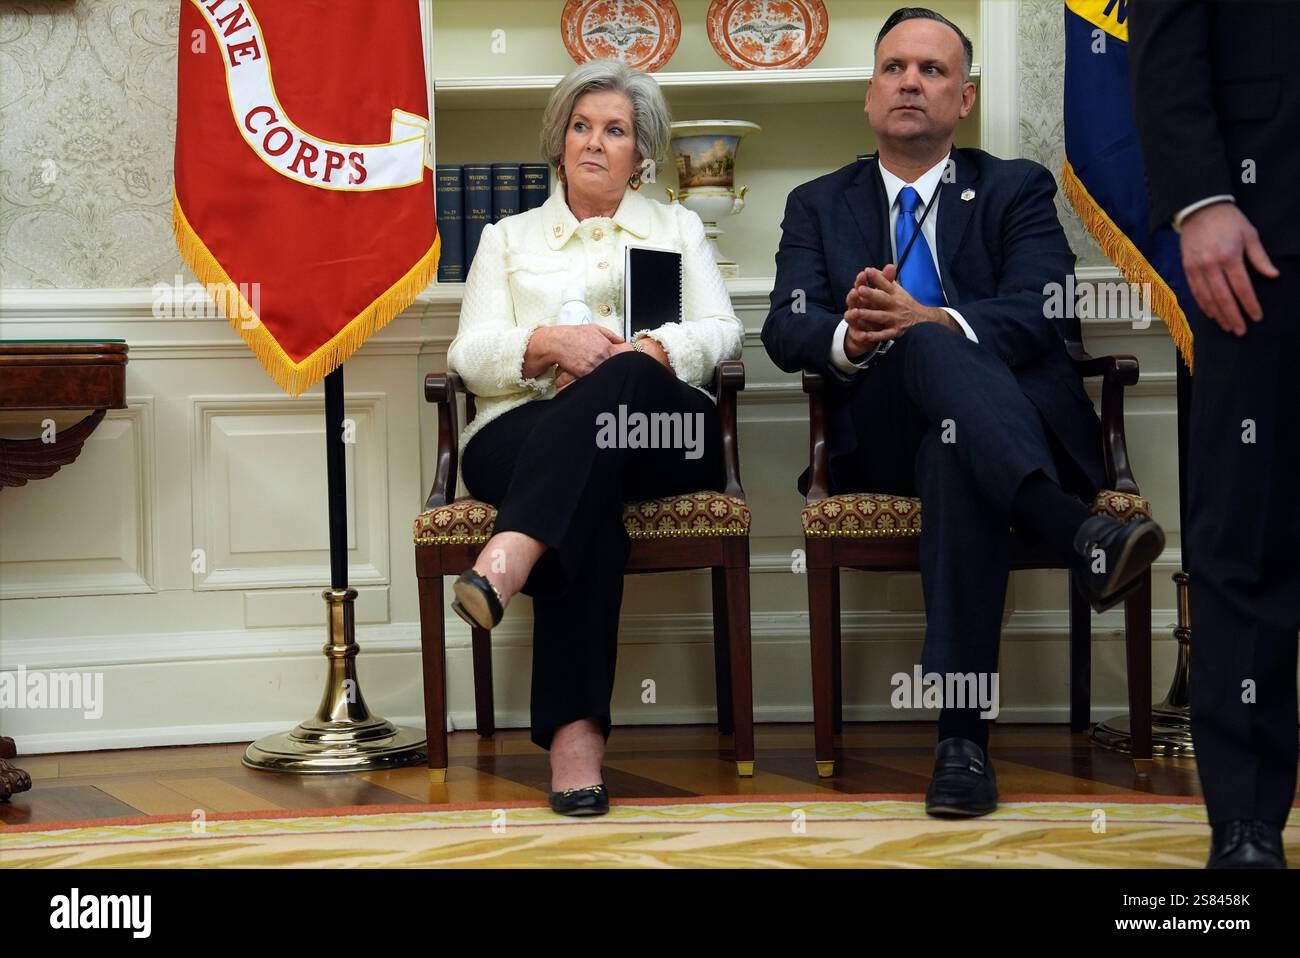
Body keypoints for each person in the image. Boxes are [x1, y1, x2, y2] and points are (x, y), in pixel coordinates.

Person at [762, 7, 1165, 817]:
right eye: (893, 69)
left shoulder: (1015, 186)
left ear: (966, 97)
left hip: (1000, 425)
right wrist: (858, 331)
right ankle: (1072, 529)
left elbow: (1041, 309)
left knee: (954, 445)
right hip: (877, 425)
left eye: (932, 71)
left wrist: (935, 321)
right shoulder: (818, 202)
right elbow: (785, 324)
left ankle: (960, 744)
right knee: (912, 347)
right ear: (870, 95)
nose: (910, 82)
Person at [446, 59, 744, 816]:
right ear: (559, 140)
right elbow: (470, 356)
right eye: (581, 127)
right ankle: (577, 744)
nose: (593, 142)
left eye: (614, 130)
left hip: (660, 431)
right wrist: (548, 345)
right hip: (522, 430)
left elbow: (720, 329)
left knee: (627, 377)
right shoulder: (507, 237)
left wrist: (643, 354)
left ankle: (507, 556)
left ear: (640, 153)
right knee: (586, 499)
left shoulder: (676, 227)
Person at [1129, 0, 1299, 869]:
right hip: (1263, 226)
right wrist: (1200, 198)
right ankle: (1247, 820)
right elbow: (1166, 35)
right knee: (1247, 526)